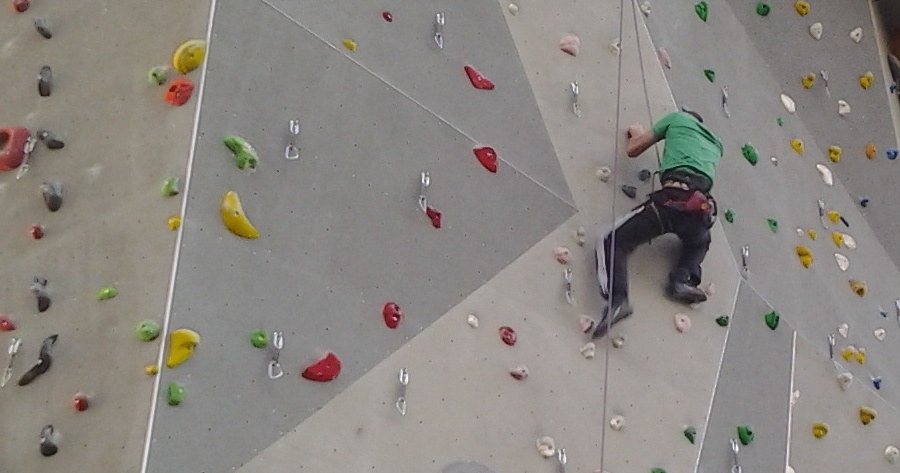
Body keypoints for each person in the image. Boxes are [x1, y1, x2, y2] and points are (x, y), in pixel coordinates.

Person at [591, 110, 724, 339]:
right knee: (700, 242)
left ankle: (618, 299)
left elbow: (633, 150)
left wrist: (636, 133)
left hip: (671, 202)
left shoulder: (677, 119)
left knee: (612, 241)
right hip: (700, 210)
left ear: (686, 116)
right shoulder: (716, 144)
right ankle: (682, 279)